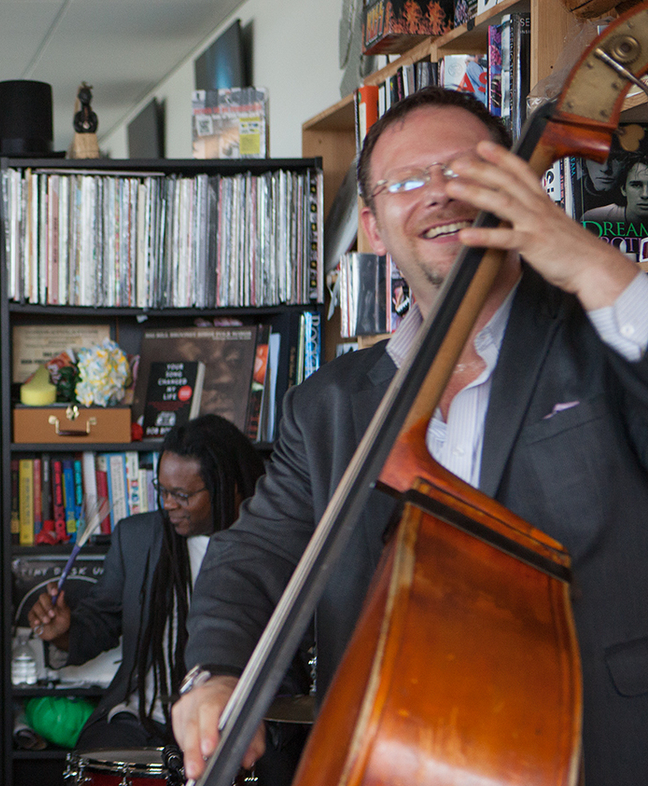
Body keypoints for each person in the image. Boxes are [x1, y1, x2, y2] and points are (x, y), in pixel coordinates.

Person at [172, 86, 648, 785]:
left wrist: (582, 258)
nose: (438, 195)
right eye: (406, 182)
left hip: (599, 746)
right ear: (372, 224)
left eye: (465, 170)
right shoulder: (327, 406)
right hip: (394, 752)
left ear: (520, 185)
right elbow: (255, 553)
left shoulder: (607, 338)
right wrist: (216, 673)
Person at [29, 415, 307, 781]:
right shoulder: (138, 539)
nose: (169, 505)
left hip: (234, 717)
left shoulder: (266, 551)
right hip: (142, 715)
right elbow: (101, 622)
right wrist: (65, 630)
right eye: (163, 491)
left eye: (183, 495)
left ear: (230, 487)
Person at [581, 153, 648, 222]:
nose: (645, 195)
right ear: (623, 189)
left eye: (618, 158)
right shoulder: (593, 218)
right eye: (636, 185)